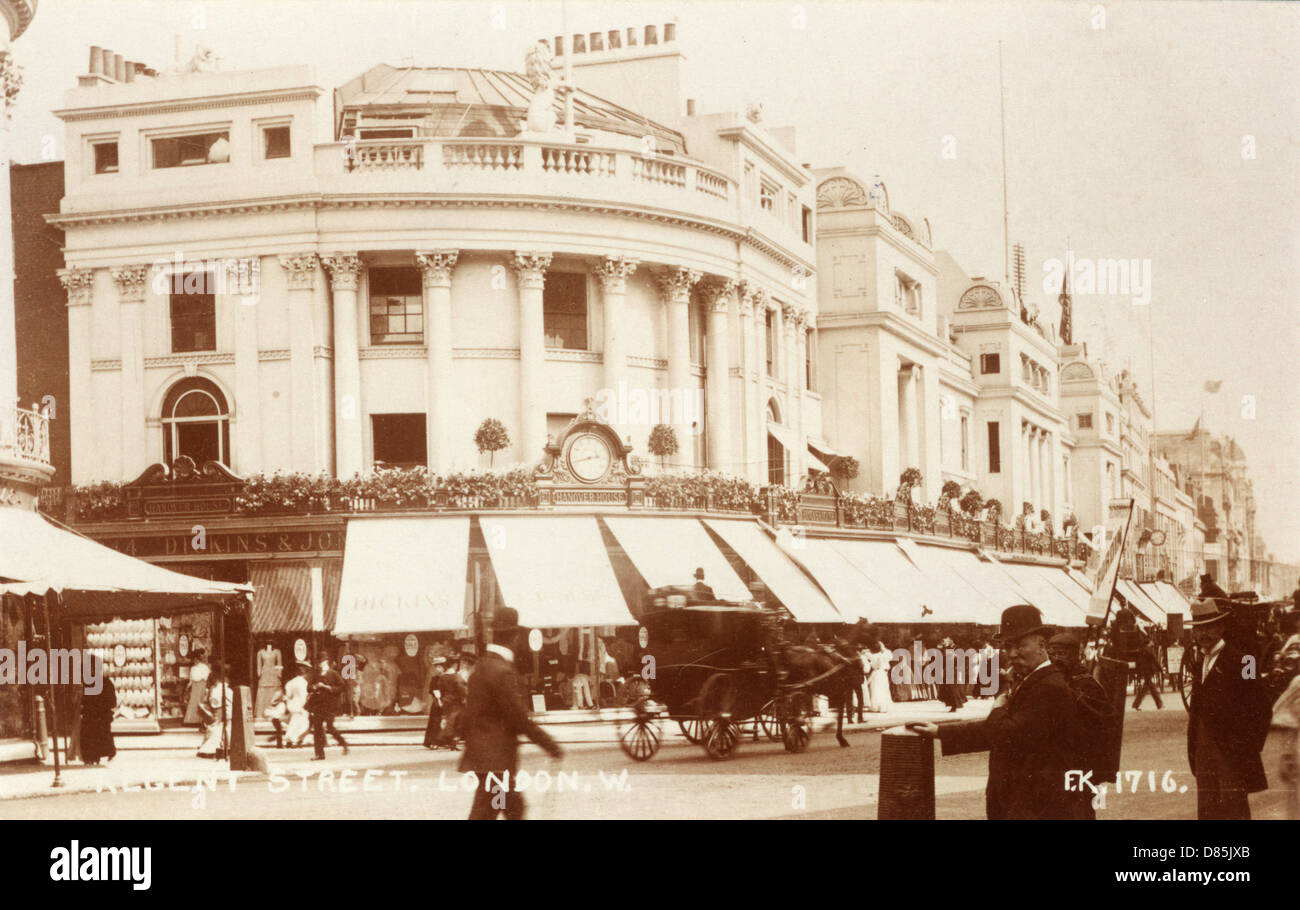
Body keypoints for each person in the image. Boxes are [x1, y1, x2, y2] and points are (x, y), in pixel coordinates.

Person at [915, 605, 1083, 820]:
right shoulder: (1033, 680)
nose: (1012, 654)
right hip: (1023, 801)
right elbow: (998, 730)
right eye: (1007, 647)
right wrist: (939, 731)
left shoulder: (1048, 686)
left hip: (1036, 805)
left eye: (1020, 646)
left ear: (1042, 645)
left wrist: (998, 706)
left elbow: (1006, 734)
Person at [460, 607, 563, 819]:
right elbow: (518, 718)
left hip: (483, 756)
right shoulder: (502, 671)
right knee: (499, 811)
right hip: (496, 758)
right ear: (515, 637)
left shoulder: (481, 666)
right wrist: (549, 744)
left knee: (503, 810)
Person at [1186, 598, 1272, 819]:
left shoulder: (1246, 661)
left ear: (1221, 627)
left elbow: (1261, 708)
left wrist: (1248, 747)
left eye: (1209, 627)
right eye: (1198, 628)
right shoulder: (1199, 663)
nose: (1203, 634)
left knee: (1234, 810)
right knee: (1207, 809)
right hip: (1203, 751)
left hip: (1232, 753)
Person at [1047, 632, 1117, 819]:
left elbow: (1099, 724)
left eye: (1061, 654)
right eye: (1052, 654)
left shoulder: (1086, 683)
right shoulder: (1055, 681)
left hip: (1083, 764)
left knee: (1081, 811)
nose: (1056, 659)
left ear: (1075, 655)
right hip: (1061, 766)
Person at [307, 656, 349, 760]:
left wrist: (327, 687)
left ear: (327, 663)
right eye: (320, 663)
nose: (322, 664)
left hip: (330, 705)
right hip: (318, 705)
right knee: (317, 729)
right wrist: (315, 687)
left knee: (330, 727)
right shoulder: (316, 675)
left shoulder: (333, 674)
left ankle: (343, 743)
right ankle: (319, 754)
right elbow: (308, 687)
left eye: (323, 662)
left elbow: (342, 687)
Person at [79, 658, 117, 766]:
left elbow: (85, 700)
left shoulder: (90, 684)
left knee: (92, 735)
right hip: (99, 715)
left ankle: (93, 757)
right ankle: (100, 755)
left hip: (95, 715)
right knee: (99, 734)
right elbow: (112, 701)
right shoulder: (105, 682)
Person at [197, 664, 233, 759]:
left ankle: (212, 748)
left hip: (219, 711)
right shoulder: (226, 689)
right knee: (222, 730)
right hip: (224, 712)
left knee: (216, 730)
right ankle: (219, 748)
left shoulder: (216, 689)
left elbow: (213, 702)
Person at [439, 656, 470, 748]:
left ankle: (448, 740)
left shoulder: (443, 677)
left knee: (448, 720)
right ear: (455, 664)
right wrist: (465, 697)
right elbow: (462, 689)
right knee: (457, 722)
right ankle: (453, 740)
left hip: (446, 701)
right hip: (456, 702)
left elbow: (441, 689)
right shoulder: (456, 677)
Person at [1131, 628, 1164, 711]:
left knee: (1149, 686)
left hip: (1144, 670)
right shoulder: (1149, 650)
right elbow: (1155, 660)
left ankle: (1158, 703)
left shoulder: (1143, 649)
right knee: (1149, 687)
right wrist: (1160, 669)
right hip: (1148, 670)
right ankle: (1158, 703)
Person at [284, 660, 311, 747]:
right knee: (303, 723)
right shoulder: (303, 683)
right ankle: (297, 739)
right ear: (304, 673)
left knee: (294, 722)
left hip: (293, 704)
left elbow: (288, 695)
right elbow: (304, 695)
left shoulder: (291, 682)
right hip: (301, 704)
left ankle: (290, 739)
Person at [182, 647, 210, 727]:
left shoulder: (204, 667)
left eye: (195, 659)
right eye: (193, 659)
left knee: (200, 702)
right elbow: (191, 679)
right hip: (194, 686)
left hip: (201, 686)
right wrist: (188, 686)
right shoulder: (193, 668)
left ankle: (200, 720)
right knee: (193, 702)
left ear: (198, 659)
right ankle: (191, 720)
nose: (194, 661)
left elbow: (205, 678)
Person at [424, 656, 447, 749]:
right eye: (436, 667)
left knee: (445, 722)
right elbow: (431, 690)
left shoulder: (447, 677)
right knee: (435, 722)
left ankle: (443, 741)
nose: (438, 669)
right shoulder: (435, 678)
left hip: (446, 702)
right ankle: (433, 741)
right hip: (437, 703)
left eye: (439, 667)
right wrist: (437, 696)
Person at [255, 642, 283, 717]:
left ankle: (275, 713)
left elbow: (279, 664)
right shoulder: (260, 652)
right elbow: (259, 665)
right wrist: (259, 673)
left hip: (274, 674)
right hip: (264, 674)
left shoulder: (277, 652)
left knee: (274, 691)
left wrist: (279, 674)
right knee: (263, 691)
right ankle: (262, 714)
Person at [867, 641, 893, 713]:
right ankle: (883, 706)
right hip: (882, 674)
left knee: (875, 689)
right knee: (883, 689)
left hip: (876, 673)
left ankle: (876, 706)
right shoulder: (883, 655)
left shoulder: (872, 656)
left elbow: (874, 665)